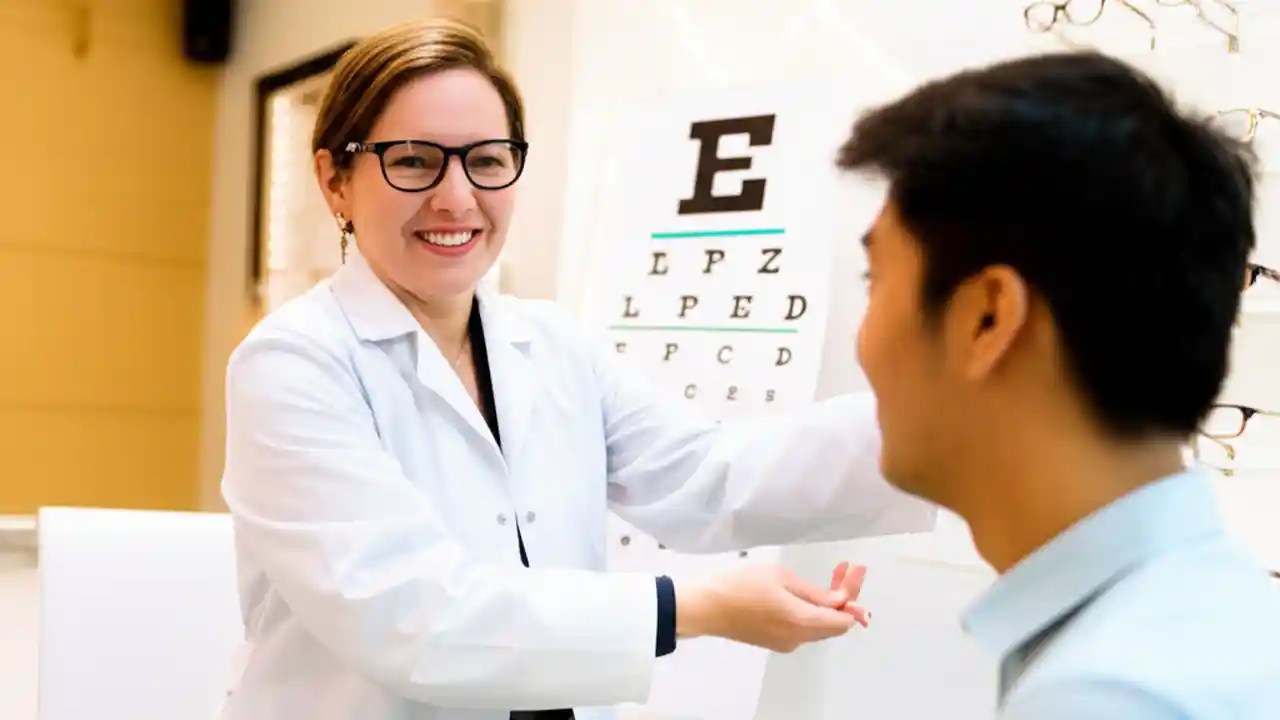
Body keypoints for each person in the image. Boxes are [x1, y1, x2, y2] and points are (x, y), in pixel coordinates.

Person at [218, 16, 934, 720]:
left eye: (488, 160)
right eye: (413, 160)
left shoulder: (554, 345)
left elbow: (710, 474)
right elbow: (414, 615)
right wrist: (692, 608)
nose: (457, 197)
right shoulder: (294, 364)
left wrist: (940, 417)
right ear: (334, 179)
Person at [838, 51, 1280, 718]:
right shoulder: (1216, 618)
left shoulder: (1108, 695)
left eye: (874, 282)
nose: (863, 344)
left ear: (988, 318)